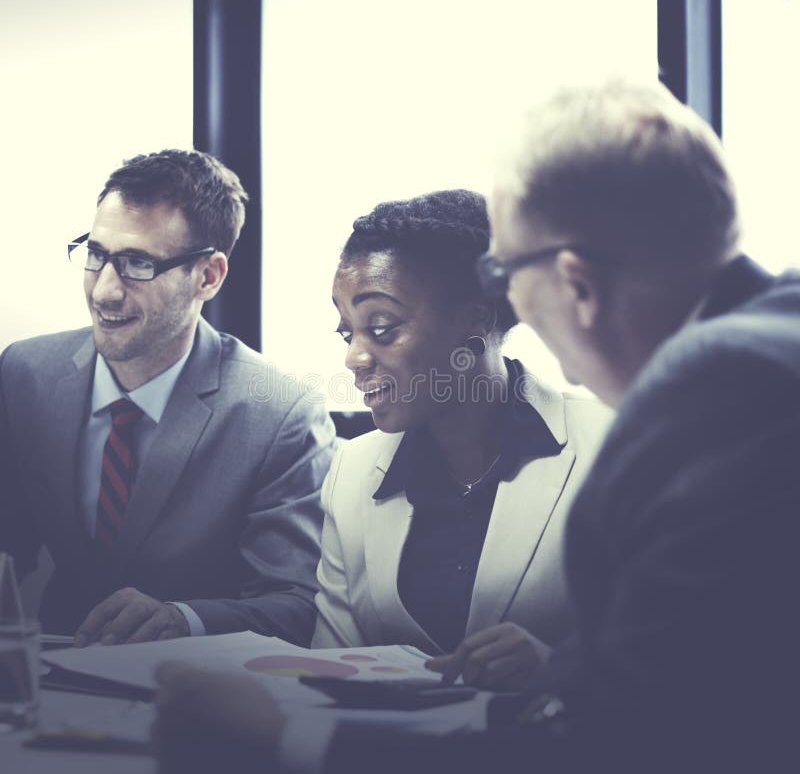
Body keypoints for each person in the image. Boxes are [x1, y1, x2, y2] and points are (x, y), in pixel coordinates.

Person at [153, 79, 800, 774]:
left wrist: (283, 740)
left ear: (576, 284)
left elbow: (625, 744)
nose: (506, 300)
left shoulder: (710, 396)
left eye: (507, 270)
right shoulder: (769, 342)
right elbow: (688, 691)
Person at [0, 149, 335, 646]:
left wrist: (185, 619)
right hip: (53, 676)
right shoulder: (24, 373)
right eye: (96, 255)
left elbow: (297, 603)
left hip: (202, 690)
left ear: (209, 276)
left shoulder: (280, 414)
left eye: (137, 263)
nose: (105, 291)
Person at [312, 190, 612, 689]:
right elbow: (330, 669)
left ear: (476, 322)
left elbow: (680, 659)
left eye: (382, 328)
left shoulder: (611, 447)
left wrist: (560, 670)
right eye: (349, 334)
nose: (354, 358)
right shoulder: (351, 472)